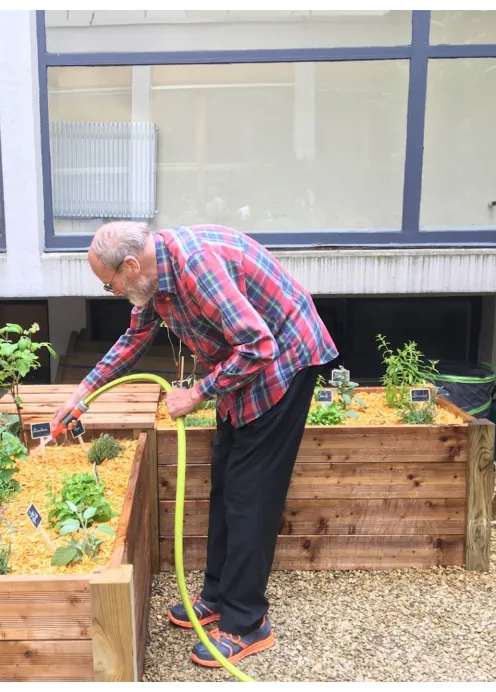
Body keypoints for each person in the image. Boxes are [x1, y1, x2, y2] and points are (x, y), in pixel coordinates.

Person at [50, 221, 338, 668]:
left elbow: (259, 344)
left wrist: (198, 391)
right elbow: (134, 340)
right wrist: (80, 394)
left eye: (110, 286)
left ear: (129, 265)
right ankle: (220, 596)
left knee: (250, 496)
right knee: (225, 482)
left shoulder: (196, 267)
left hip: (283, 361)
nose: (115, 293)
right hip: (241, 368)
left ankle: (247, 623)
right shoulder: (152, 281)